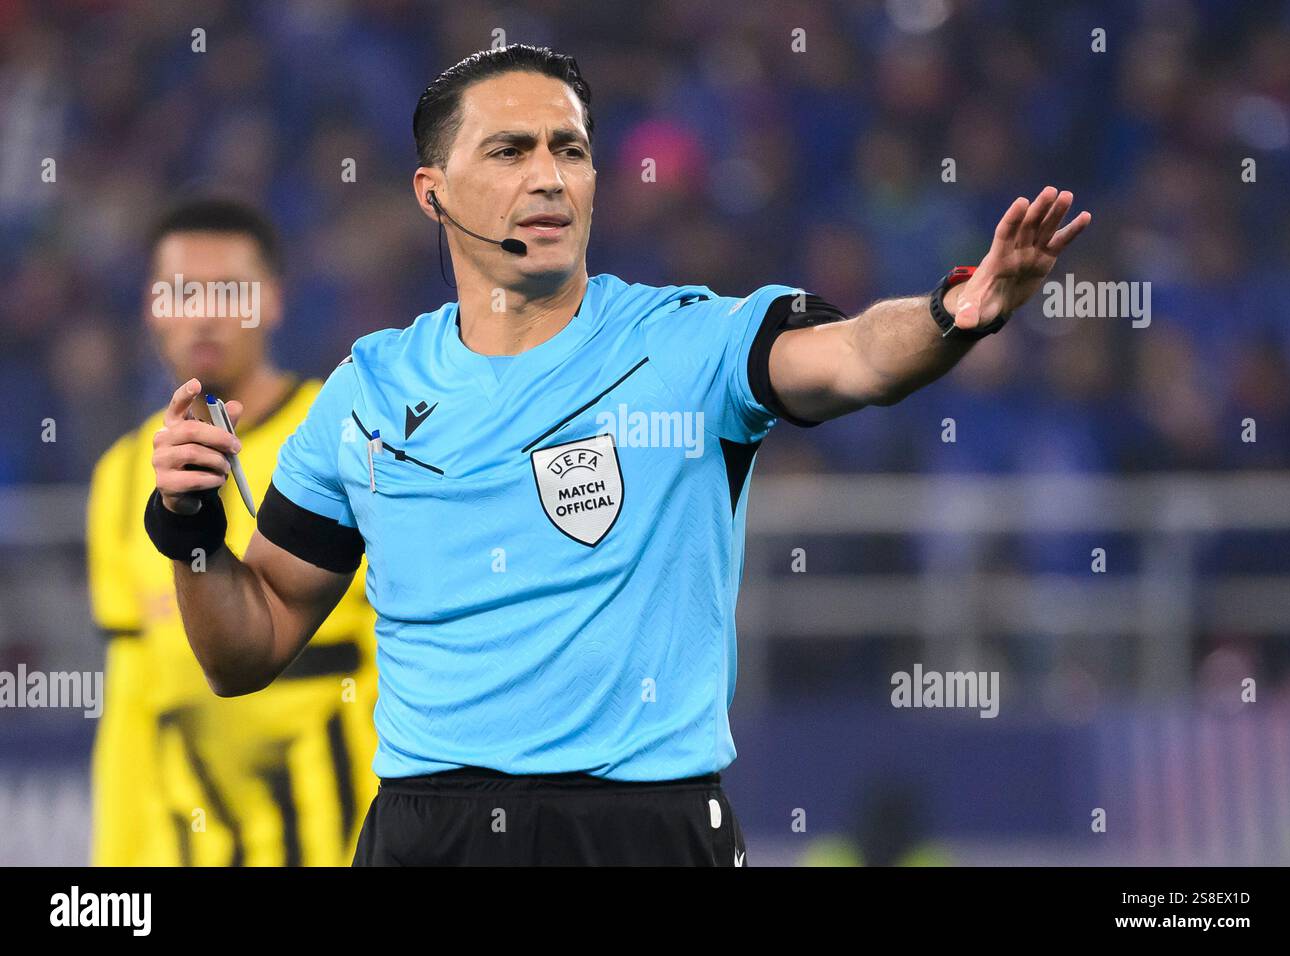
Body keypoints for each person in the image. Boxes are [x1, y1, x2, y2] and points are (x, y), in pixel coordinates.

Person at [141, 45, 1090, 866]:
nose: (549, 176)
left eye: (571, 150)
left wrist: (947, 314)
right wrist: (190, 528)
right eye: (510, 151)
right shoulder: (367, 391)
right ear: (433, 192)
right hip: (431, 831)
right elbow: (246, 647)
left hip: (646, 828)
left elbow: (856, 358)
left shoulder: (689, 345)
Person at [88, 199, 378, 866]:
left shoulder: (347, 437)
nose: (206, 313)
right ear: (152, 308)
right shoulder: (121, 476)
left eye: (231, 292)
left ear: (272, 303)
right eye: (182, 293)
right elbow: (133, 712)